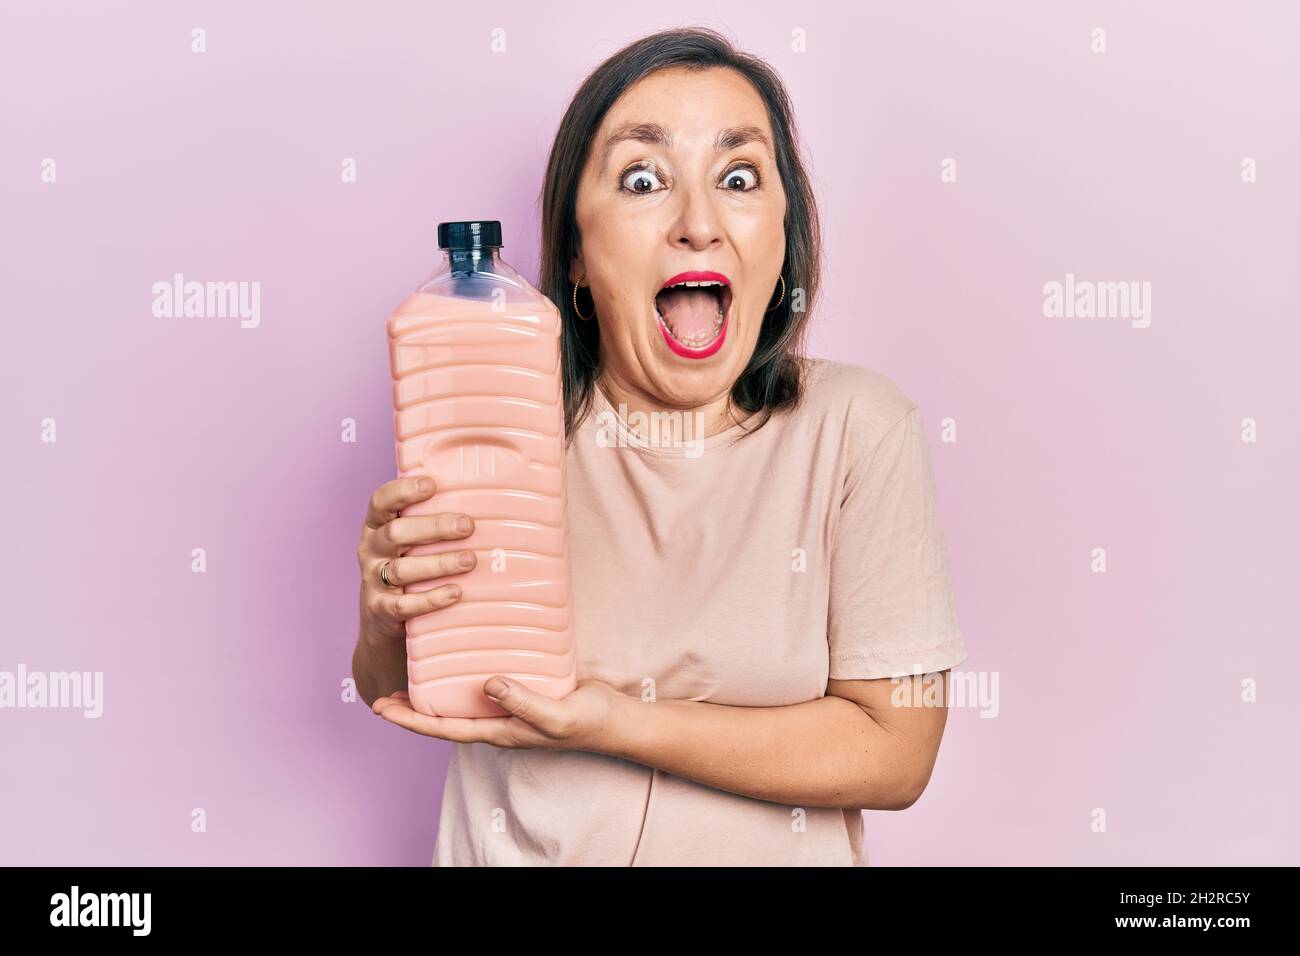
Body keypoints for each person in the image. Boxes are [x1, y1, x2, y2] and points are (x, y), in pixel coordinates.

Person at [351, 26, 967, 866]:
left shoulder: (858, 427)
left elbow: (898, 754)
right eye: (643, 180)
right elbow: (404, 689)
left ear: (785, 231)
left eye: (739, 177)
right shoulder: (493, 415)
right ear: (573, 251)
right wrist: (386, 611)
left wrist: (618, 722)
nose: (698, 224)